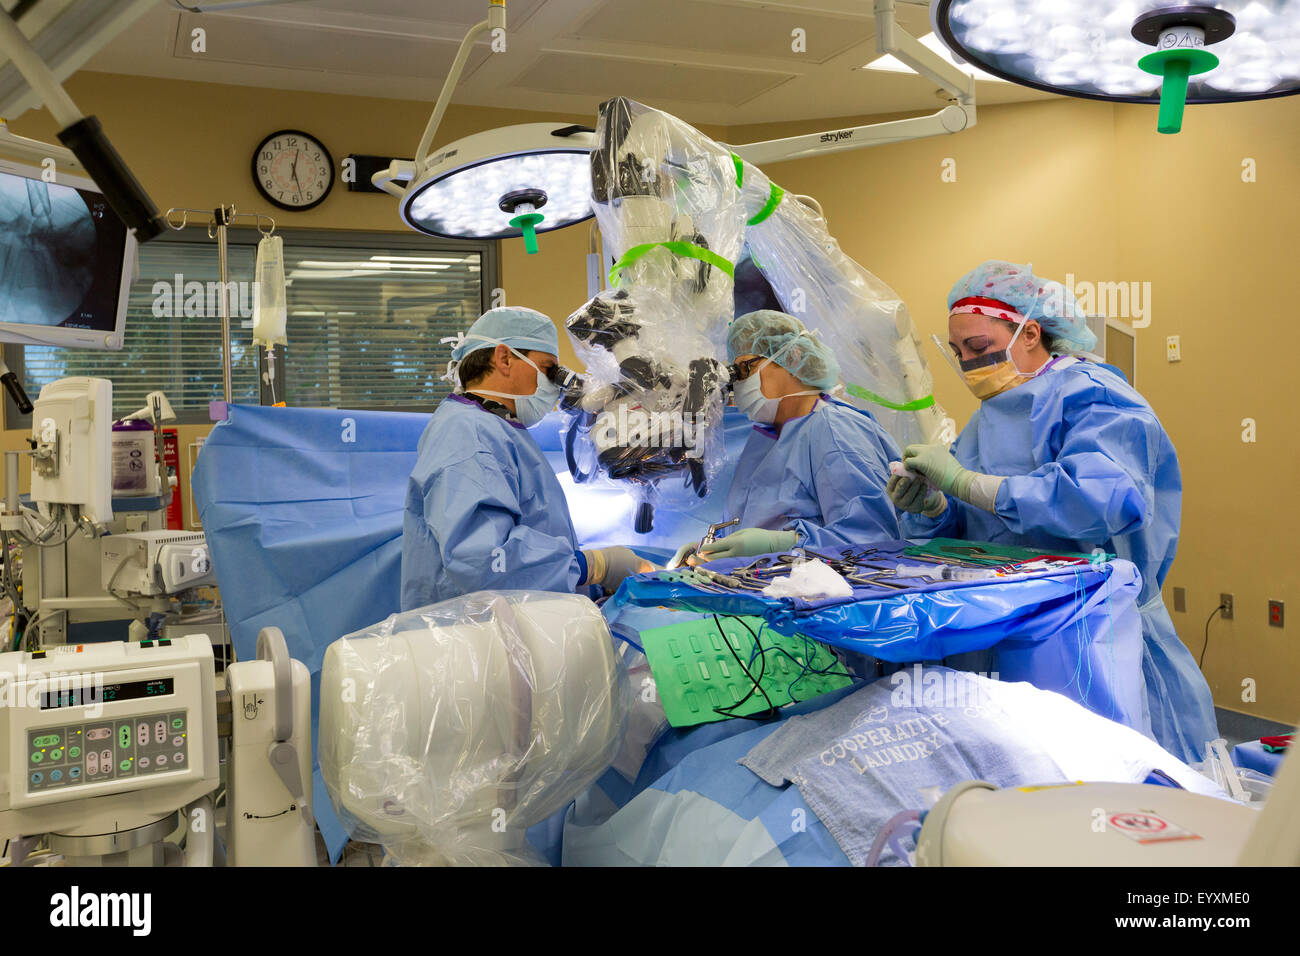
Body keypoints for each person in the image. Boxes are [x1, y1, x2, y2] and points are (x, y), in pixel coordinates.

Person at [888, 260, 1217, 764]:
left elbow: (1102, 498)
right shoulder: (982, 422)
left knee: (1117, 795)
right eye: (958, 352)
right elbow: (973, 534)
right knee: (1024, 793)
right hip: (1004, 634)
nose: (969, 364)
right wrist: (933, 506)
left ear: (1030, 332)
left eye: (978, 347)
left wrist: (965, 481)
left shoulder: (1094, 395)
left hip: (1093, 640)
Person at [401, 306, 648, 610]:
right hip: (481, 642)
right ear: (505, 358)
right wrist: (592, 566)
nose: (555, 385)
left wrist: (591, 588)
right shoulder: (467, 433)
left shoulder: (496, 429)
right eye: (548, 369)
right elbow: (484, 561)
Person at [692, 309, 902, 562]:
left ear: (792, 357)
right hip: (767, 588)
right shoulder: (767, 437)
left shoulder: (836, 431)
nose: (739, 383)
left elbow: (872, 540)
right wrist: (716, 549)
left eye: (746, 369)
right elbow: (754, 527)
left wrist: (783, 544)